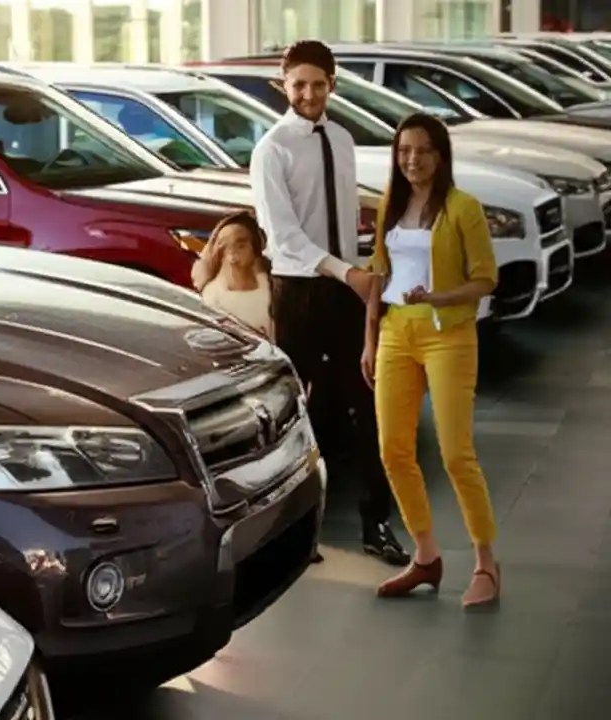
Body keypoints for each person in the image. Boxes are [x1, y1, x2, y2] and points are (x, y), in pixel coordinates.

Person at [250, 39, 409, 566]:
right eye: (299, 84)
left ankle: (376, 523)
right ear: (284, 86)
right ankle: (292, 532)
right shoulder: (271, 149)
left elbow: (344, 216)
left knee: (365, 403)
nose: (309, 93)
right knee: (294, 412)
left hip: (345, 288)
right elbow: (286, 236)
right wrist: (351, 275)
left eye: (319, 84)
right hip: (298, 292)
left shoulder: (341, 139)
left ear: (332, 85)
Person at [363, 112, 501, 608]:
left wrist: (440, 296)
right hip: (397, 331)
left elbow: (486, 279)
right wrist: (370, 339)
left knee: (455, 453)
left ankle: (487, 564)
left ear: (440, 156)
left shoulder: (463, 208)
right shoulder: (390, 205)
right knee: (393, 450)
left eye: (421, 151)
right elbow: (378, 274)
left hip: (450, 334)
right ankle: (426, 556)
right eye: (403, 151)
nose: (412, 160)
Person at [192, 210, 275, 340]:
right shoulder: (213, 296)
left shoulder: (272, 289)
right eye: (226, 248)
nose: (233, 256)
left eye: (241, 246)